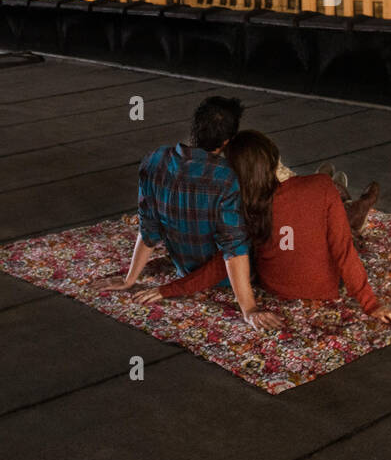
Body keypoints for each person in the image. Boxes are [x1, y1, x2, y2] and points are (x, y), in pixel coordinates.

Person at [137, 130, 391, 324]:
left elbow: (226, 262)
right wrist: (372, 305)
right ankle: (350, 199)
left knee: (320, 206)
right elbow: (343, 252)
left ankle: (345, 196)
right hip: (326, 287)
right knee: (342, 221)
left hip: (276, 288)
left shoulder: (244, 208)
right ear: (274, 158)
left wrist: (169, 289)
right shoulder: (316, 188)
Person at [99, 96, 282, 331]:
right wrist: (249, 309)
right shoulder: (227, 178)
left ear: (194, 128)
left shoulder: (154, 160)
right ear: (228, 140)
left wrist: (129, 279)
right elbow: (233, 248)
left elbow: (149, 228)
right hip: (223, 278)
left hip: (184, 268)